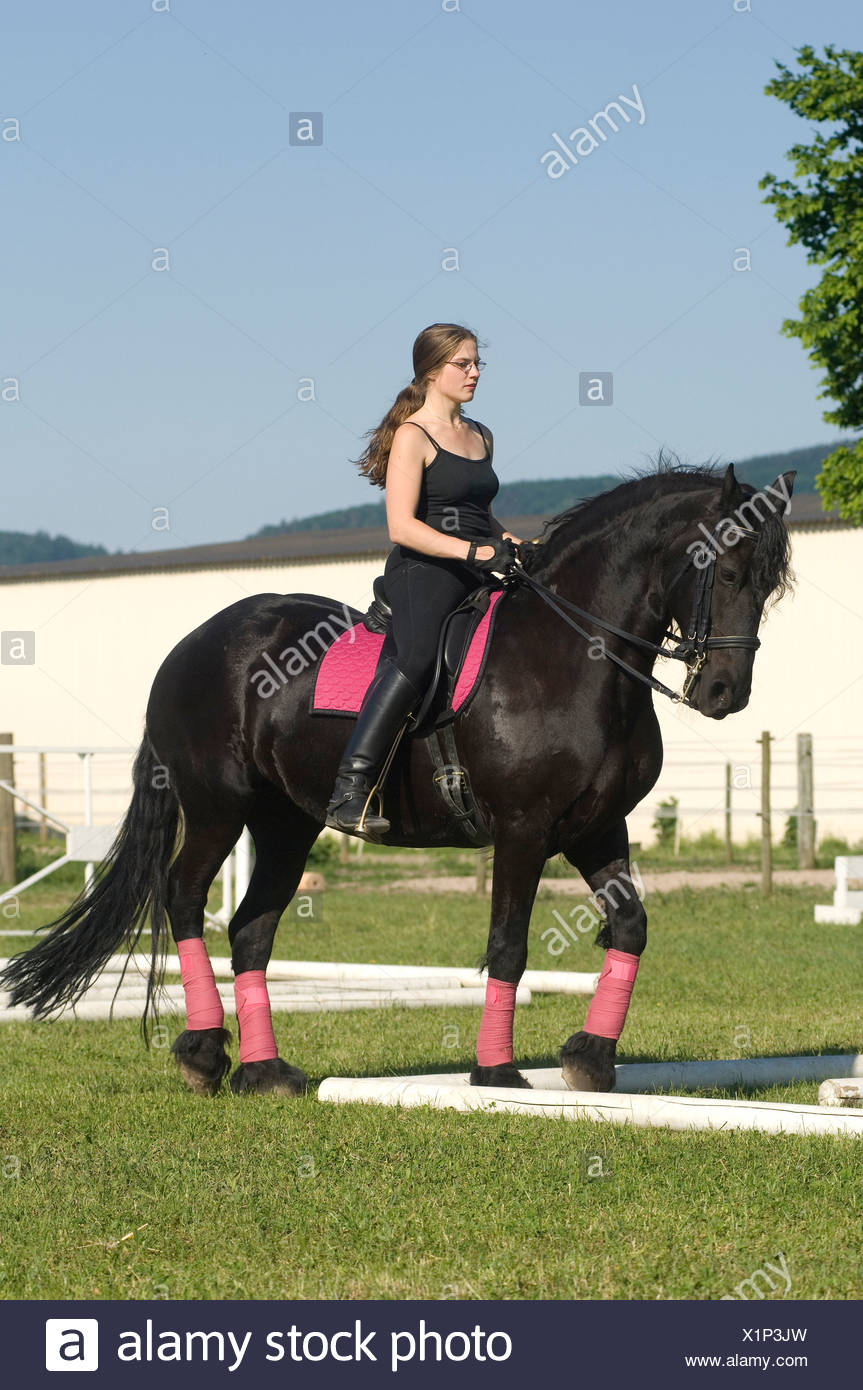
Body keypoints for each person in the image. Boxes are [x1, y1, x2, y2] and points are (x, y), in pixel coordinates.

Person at [325, 322, 522, 840]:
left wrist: (512, 543)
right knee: (414, 659)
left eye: (478, 363)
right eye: (464, 364)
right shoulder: (413, 435)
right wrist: (472, 551)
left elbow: (479, 511)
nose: (475, 372)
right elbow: (401, 526)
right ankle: (350, 790)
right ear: (432, 372)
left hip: (478, 563)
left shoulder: (482, 434)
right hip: (424, 570)